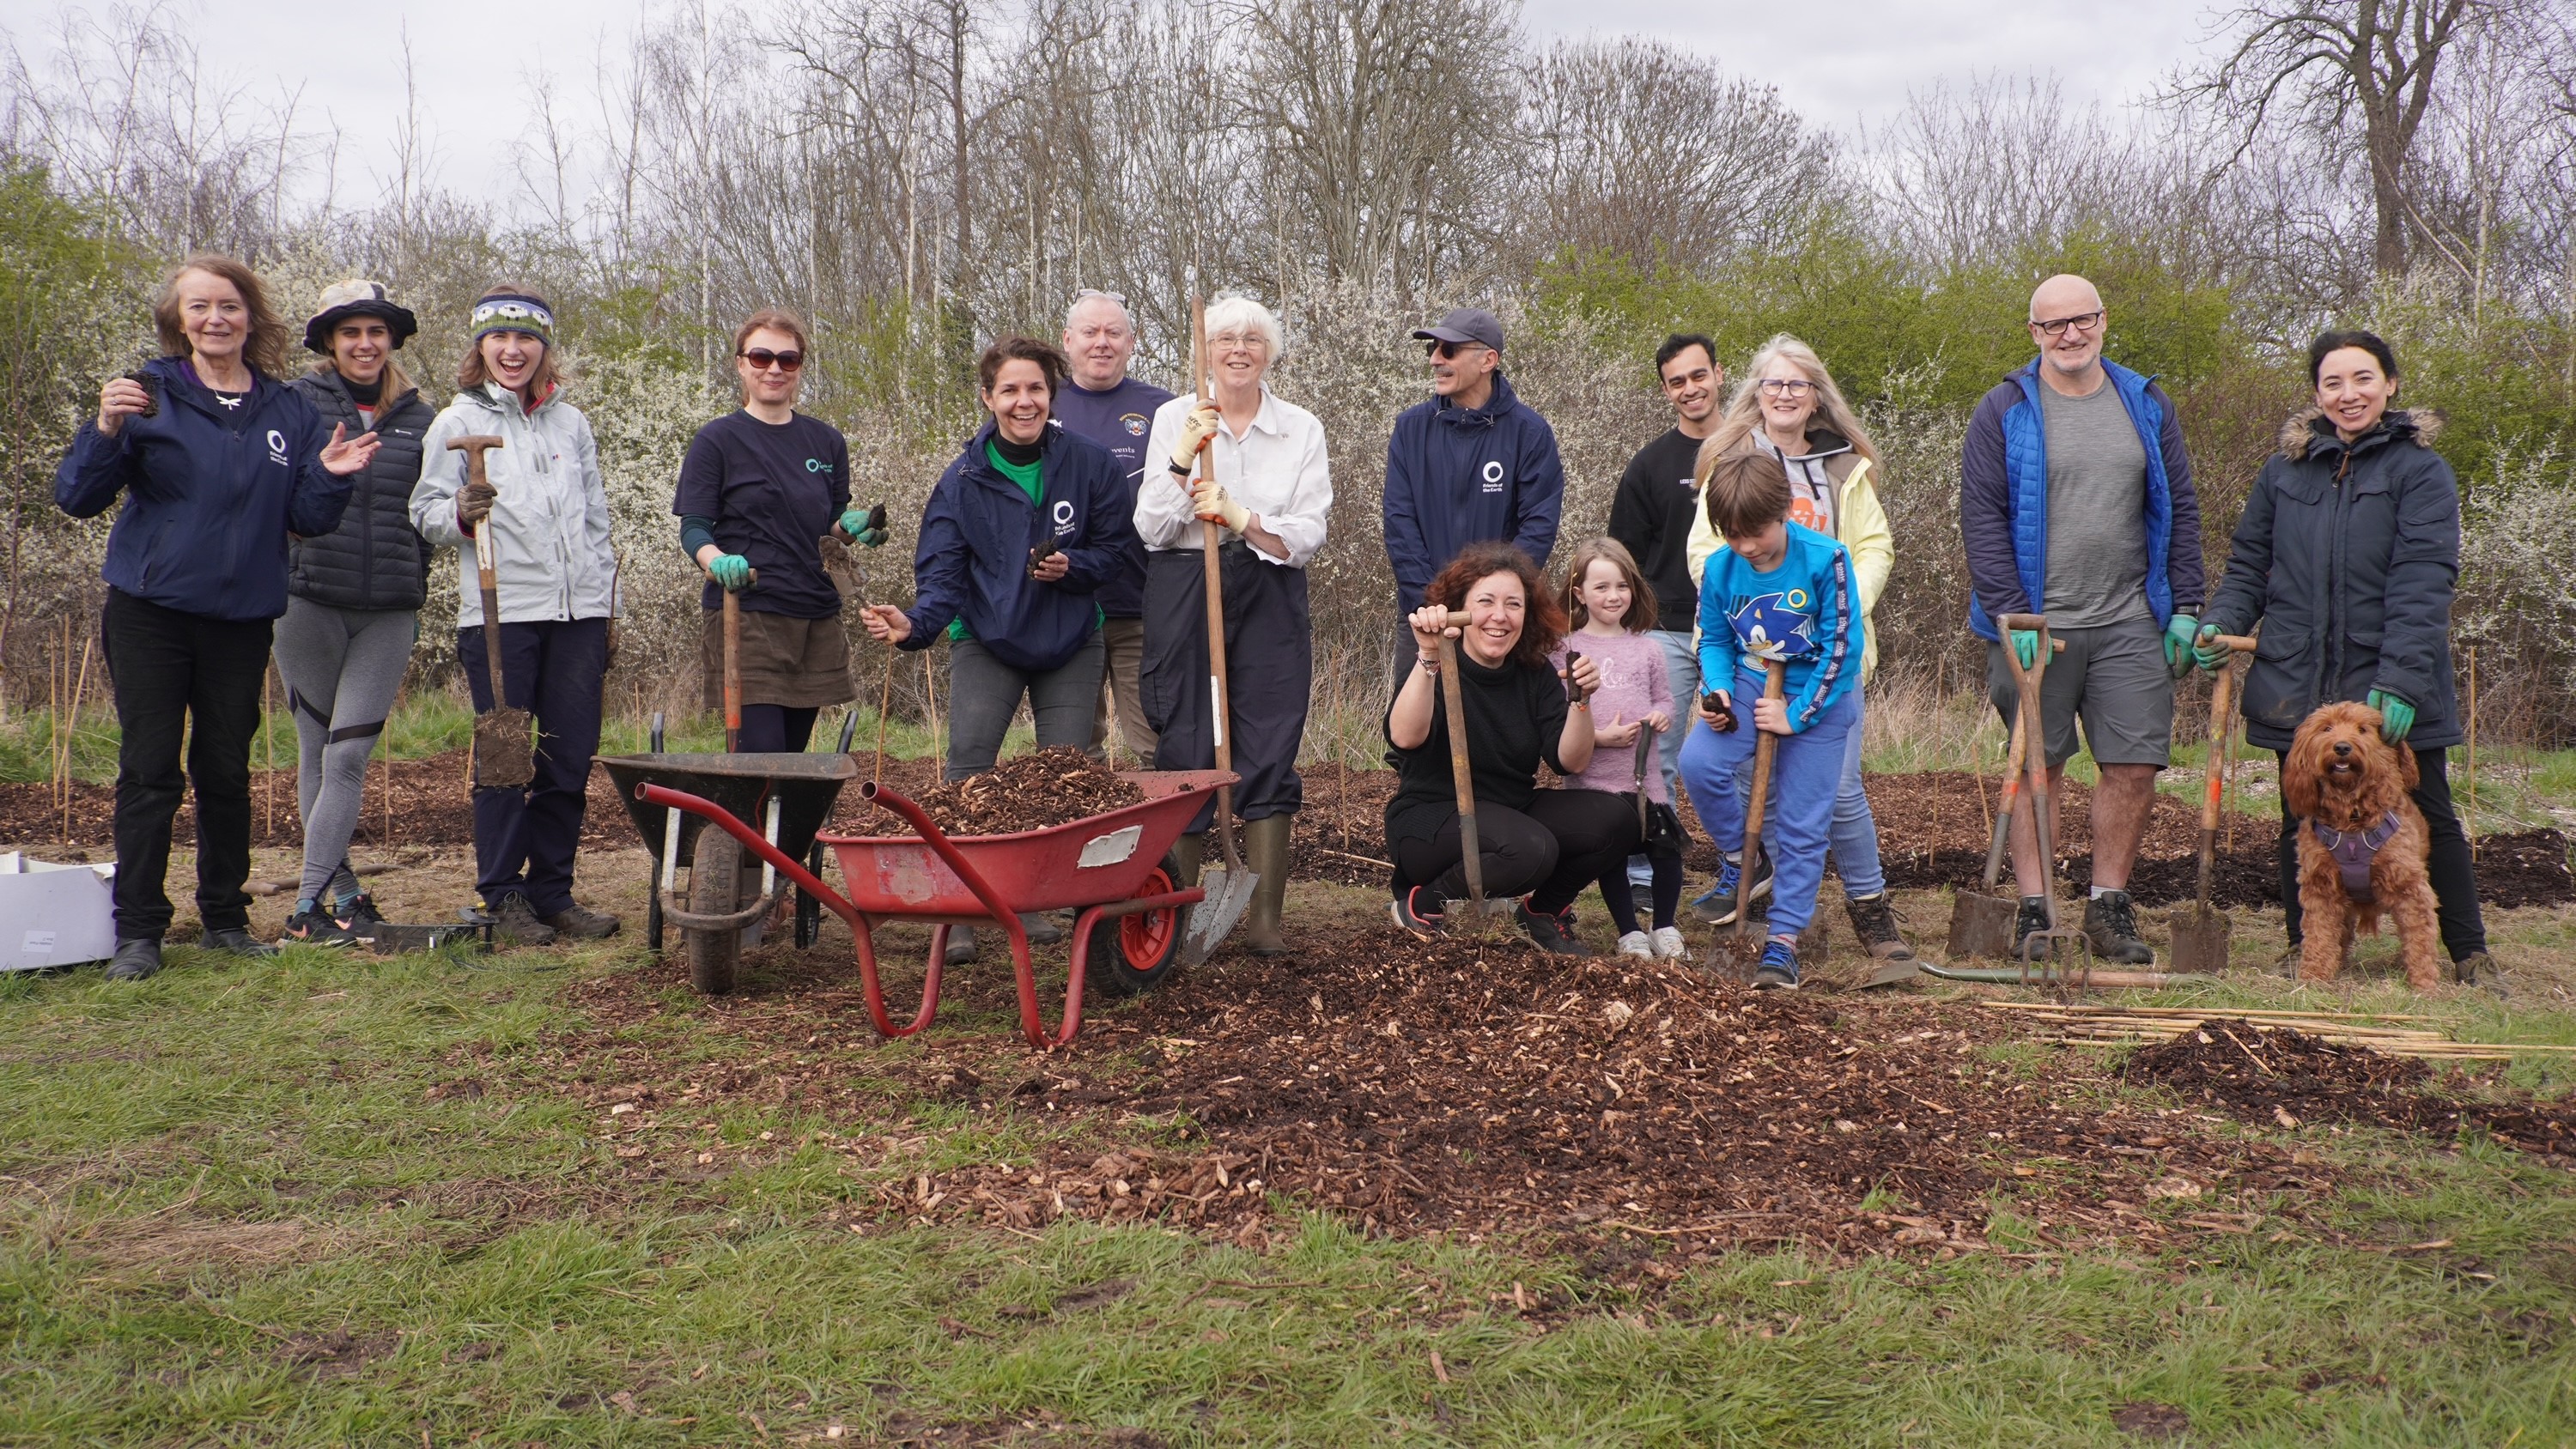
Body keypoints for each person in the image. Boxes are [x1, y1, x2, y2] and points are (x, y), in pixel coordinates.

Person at [54, 256, 373, 979]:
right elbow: (76, 498)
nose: (216, 319)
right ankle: (139, 933)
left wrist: (331, 476)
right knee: (150, 771)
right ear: (179, 320)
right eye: (199, 308)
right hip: (151, 612)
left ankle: (225, 920)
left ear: (250, 317)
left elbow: (303, 519)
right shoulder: (146, 394)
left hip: (240, 618)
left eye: (229, 306)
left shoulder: (288, 409)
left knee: (226, 770)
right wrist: (104, 429)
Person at [2194, 330, 2495, 990]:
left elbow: (2424, 577)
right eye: (2333, 382)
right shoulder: (2283, 472)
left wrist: (2401, 679)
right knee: (2300, 813)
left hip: (2389, 675)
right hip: (2295, 674)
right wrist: (2221, 619)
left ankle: (2469, 953)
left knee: (2431, 812)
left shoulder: (2420, 471)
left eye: (2363, 379)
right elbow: (2250, 563)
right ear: (2317, 394)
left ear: (2389, 384)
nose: (2348, 394)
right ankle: (2308, 950)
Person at [860, 336, 1132, 963]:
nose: (1023, 401)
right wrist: (914, 627)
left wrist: (1076, 566)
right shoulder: (962, 482)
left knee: (1063, 775)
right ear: (988, 398)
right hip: (987, 638)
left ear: (1051, 395)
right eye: (1009, 389)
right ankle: (960, 911)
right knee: (967, 772)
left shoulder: (1089, 465)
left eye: (1035, 388)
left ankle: (1034, 905)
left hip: (1070, 639)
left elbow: (1119, 551)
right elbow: (942, 579)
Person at [1960, 273, 2203, 965]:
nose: (2071, 334)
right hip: (2036, 624)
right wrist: (2014, 617)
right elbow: (1982, 519)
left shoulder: (2145, 401)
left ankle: (2108, 907)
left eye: (2083, 320)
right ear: (2033, 333)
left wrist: (2185, 604)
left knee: (2132, 766)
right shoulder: (2005, 408)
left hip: (2129, 615)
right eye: (2053, 325)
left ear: (2103, 320)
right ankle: (2037, 908)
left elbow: (2179, 506)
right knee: (2041, 768)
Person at [1683, 335, 1911, 965]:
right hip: (1751, 652)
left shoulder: (1844, 468)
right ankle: (1768, 883)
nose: (1783, 395)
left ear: (1816, 397)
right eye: (1772, 384)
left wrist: (1832, 608)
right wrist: (1753, 595)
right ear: (1755, 394)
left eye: (1797, 385)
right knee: (1734, 776)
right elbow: (1707, 553)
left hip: (1826, 657)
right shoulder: (1728, 464)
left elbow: (1872, 550)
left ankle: (1869, 911)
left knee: (1833, 794)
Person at [410, 287, 622, 947]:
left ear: (543, 347)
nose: (513, 350)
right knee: (505, 756)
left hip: (577, 614)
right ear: (480, 347)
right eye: (499, 338)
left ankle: (551, 892)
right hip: (502, 616)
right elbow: (423, 512)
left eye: (526, 338)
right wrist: (458, 515)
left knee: (568, 757)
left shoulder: (571, 424)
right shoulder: (454, 421)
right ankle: (502, 895)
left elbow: (595, 520)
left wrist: (604, 601)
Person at [1133, 294, 1332, 956]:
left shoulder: (1300, 427)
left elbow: (1308, 533)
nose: (1239, 349)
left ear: (1269, 352)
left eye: (1253, 338)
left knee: (1271, 734)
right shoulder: (1173, 417)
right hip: (1188, 584)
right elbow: (1153, 527)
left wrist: (1244, 519)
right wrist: (1182, 458)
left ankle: (1266, 921)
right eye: (1225, 339)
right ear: (1206, 351)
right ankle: (1183, 911)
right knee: (1188, 735)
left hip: (1269, 585)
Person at [275, 280, 439, 947]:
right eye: (350, 333)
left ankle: (324, 901)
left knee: (350, 756)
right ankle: (326, 903)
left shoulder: (425, 420)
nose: (365, 344)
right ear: (330, 344)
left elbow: (434, 510)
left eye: (375, 332)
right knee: (318, 752)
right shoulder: (294, 407)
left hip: (390, 609)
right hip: (307, 601)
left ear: (392, 339)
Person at [1679, 453, 1864, 991]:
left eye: (1755, 533)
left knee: (1804, 824)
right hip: (1747, 682)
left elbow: (1841, 651)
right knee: (1698, 764)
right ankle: (1746, 859)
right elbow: (1713, 639)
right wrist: (1716, 690)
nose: (1746, 547)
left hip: (1816, 696)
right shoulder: (1720, 567)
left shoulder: (1826, 560)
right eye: (1732, 535)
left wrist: (1797, 715)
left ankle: (1782, 945)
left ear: (1785, 510)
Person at [1384, 541, 1617, 955]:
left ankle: (1542, 914)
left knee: (1616, 819)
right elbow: (1405, 737)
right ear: (1461, 609)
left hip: (1509, 810)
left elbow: (1569, 761)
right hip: (1431, 821)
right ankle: (1422, 905)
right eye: (1486, 602)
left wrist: (1580, 701)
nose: (1500, 616)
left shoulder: (1534, 673)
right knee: (1531, 848)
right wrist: (1428, 656)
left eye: (1514, 604)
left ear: (1526, 616)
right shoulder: (1440, 662)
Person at [674, 307, 887, 754]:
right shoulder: (717, 440)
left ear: (800, 367)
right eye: (761, 357)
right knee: (761, 759)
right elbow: (694, 527)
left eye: (787, 360)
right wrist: (716, 562)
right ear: (740, 363)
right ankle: (740, 827)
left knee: (792, 763)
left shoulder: (826, 441)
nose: (774, 368)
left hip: (813, 612)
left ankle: (787, 828)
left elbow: (829, 527)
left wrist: (852, 527)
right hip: (747, 613)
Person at [1382, 306, 1564, 686]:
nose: (1435, 359)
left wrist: (1489, 603)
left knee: (1499, 736)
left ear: (1488, 360)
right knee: (1412, 736)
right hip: (1425, 619)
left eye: (1448, 350)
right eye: (1433, 349)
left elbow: (1538, 527)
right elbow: (1400, 523)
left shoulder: (1529, 433)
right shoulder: (1410, 428)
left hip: (1498, 623)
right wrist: (1432, 603)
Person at [1052, 289, 1173, 765]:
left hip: (1144, 605)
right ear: (1068, 340)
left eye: (1113, 332)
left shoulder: (1164, 409)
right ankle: (1085, 841)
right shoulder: (1039, 403)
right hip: (1064, 608)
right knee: (1074, 753)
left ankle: (1161, 840)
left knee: (1154, 743)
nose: (1101, 343)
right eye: (1090, 332)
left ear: (1131, 341)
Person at [1546, 539, 1682, 960]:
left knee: (1666, 850)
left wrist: (1661, 717)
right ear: (1579, 593)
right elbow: (1555, 713)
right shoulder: (1563, 649)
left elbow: (1665, 701)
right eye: (1601, 587)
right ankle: (1629, 931)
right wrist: (1599, 737)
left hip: (1645, 776)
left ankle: (1665, 927)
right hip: (1593, 778)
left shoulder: (1647, 647)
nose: (1613, 596)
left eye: (1621, 586)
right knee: (1613, 856)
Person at [1607, 333, 1723, 815]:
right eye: (1677, 382)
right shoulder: (1649, 465)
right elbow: (1622, 557)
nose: (1690, 388)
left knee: (1738, 759)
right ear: (1665, 391)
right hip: (1666, 634)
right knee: (1655, 756)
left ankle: (1745, 871)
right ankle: (1644, 876)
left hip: (1743, 630)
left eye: (1699, 375)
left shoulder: (1754, 449)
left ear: (1719, 374)